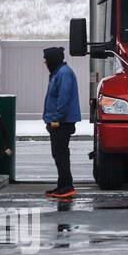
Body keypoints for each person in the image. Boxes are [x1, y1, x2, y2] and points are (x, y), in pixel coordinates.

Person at [42, 47, 81, 199]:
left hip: (61, 122)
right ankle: (62, 185)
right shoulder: (59, 72)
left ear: (53, 59)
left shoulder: (64, 73)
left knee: (61, 154)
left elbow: (63, 98)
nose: (45, 62)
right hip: (58, 121)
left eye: (46, 58)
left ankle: (67, 186)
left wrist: (56, 118)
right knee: (58, 154)